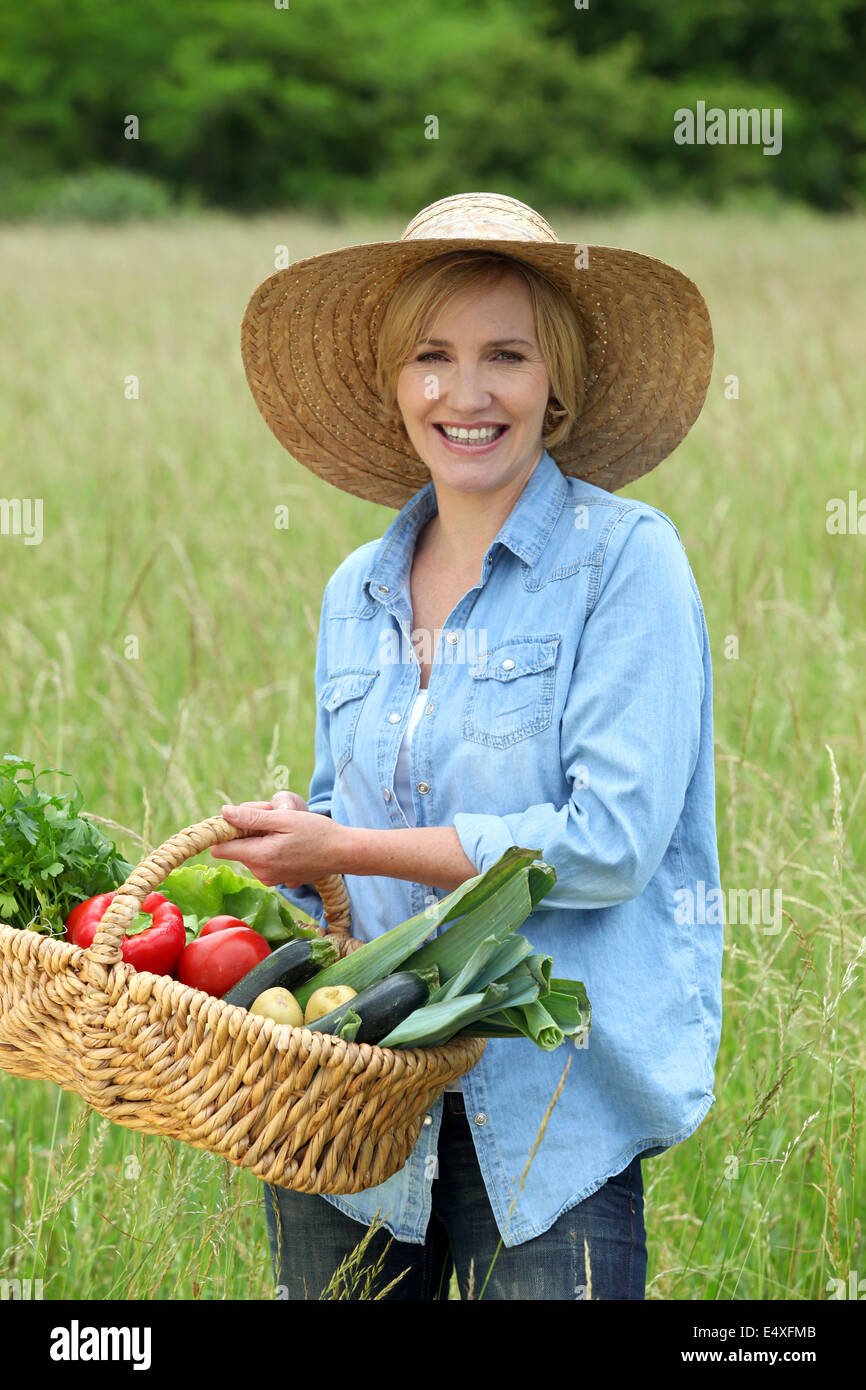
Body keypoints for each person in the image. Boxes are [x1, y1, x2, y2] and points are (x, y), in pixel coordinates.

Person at [213, 192, 723, 1300]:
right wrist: (263, 907)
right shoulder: (355, 589)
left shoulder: (624, 563)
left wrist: (348, 841)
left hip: (547, 1120)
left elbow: (607, 846)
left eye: (507, 354)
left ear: (558, 383)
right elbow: (332, 855)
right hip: (346, 1110)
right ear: (393, 382)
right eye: (431, 356)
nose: (465, 392)